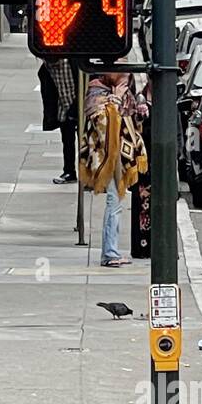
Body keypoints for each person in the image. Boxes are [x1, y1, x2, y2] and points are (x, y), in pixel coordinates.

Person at [80, 73, 148, 268]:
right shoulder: (96, 91)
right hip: (105, 155)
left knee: (117, 202)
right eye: (123, 75)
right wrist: (116, 100)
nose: (126, 80)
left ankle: (112, 250)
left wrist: (139, 110)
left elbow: (131, 118)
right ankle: (109, 253)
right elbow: (102, 123)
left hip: (121, 155)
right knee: (114, 201)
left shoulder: (124, 92)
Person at [37, 57, 78, 184]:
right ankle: (69, 171)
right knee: (67, 141)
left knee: (86, 142)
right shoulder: (46, 68)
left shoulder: (73, 62)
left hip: (80, 104)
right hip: (63, 107)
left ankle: (87, 174)